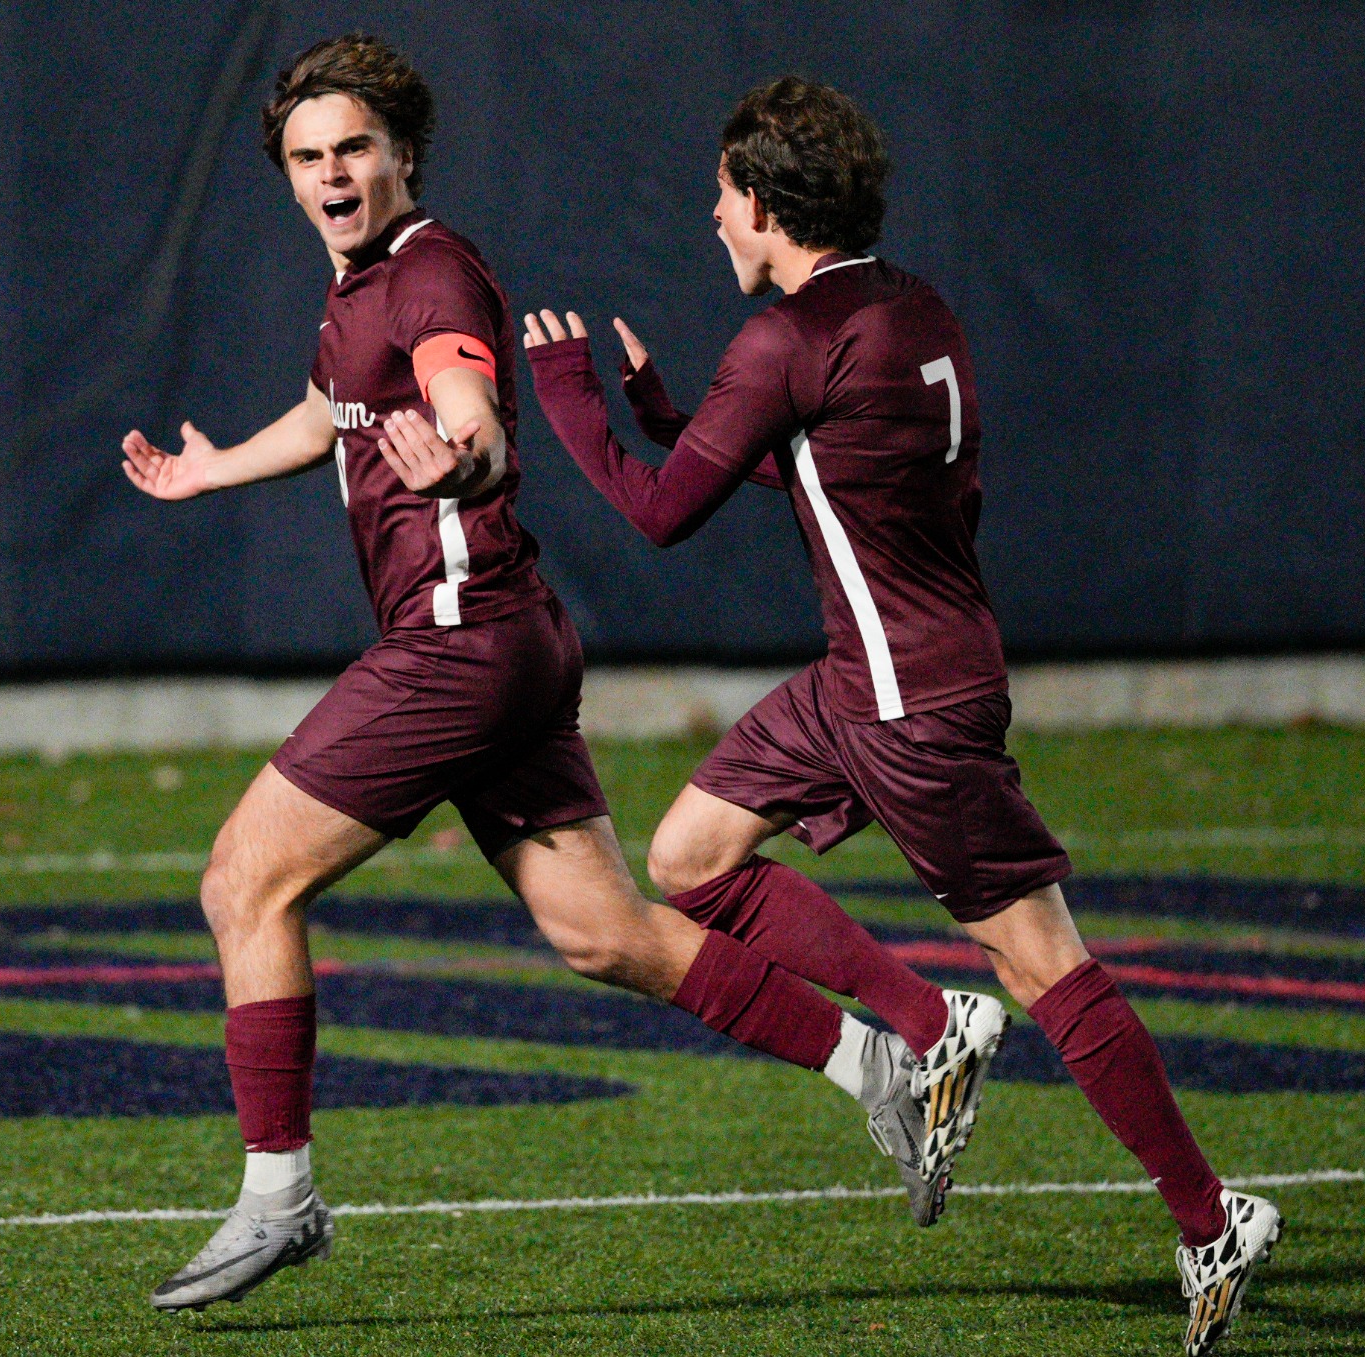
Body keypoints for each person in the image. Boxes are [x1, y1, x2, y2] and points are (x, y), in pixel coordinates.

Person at [122, 38, 1001, 1314]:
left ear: (402, 154)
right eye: (309, 156)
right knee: (603, 933)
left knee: (241, 883)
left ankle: (279, 1197)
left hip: (455, 644)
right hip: (511, 641)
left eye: (354, 147)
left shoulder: (426, 274)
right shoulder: (356, 287)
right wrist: (212, 469)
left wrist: (466, 459)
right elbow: (334, 408)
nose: (331, 172)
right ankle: (887, 1064)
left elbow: (460, 403)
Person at [521, 75, 1280, 1357]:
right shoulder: (909, 305)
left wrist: (573, 404)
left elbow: (657, 514)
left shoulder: (781, 341)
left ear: (763, 203)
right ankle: (930, 1029)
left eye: (720, 194)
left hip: (902, 702)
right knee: (687, 856)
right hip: (881, 674)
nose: (710, 216)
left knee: (1043, 961)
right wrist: (673, 419)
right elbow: (833, 458)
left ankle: (1209, 1216)